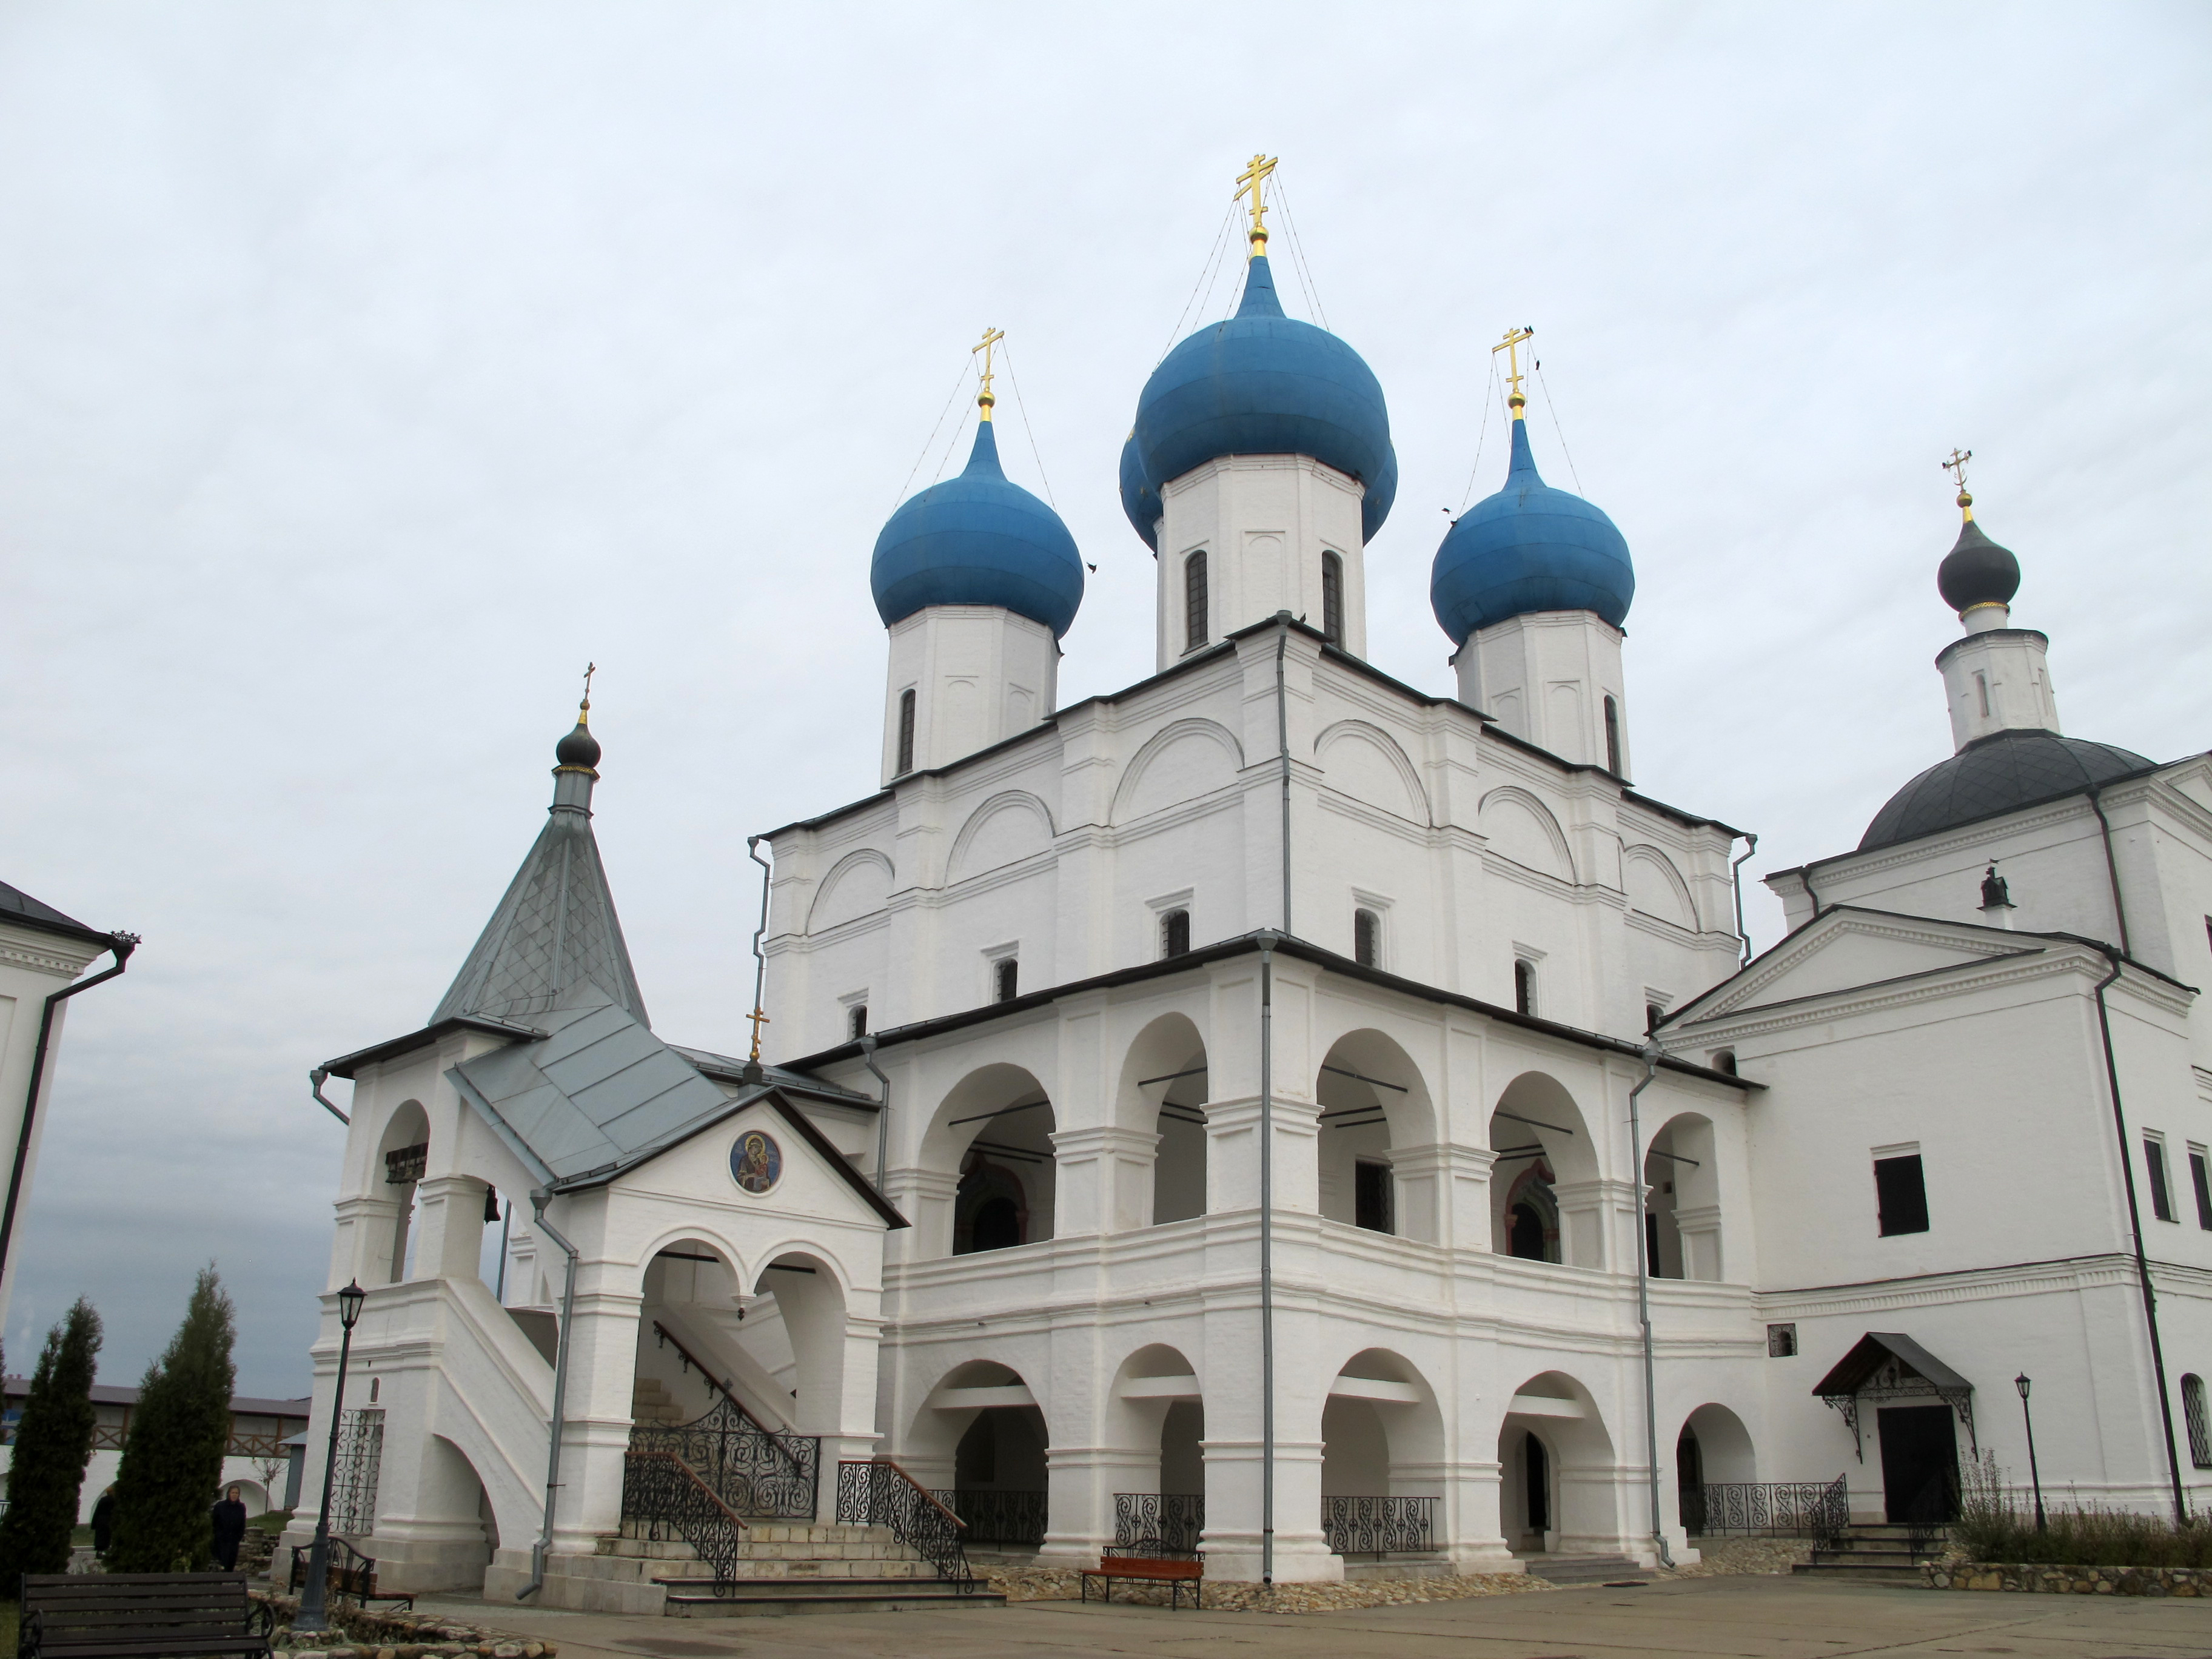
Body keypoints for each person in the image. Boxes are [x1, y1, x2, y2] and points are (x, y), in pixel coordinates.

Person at [211, 1485, 248, 1571]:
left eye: (236, 1493)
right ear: (229, 1494)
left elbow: (242, 1523)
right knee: (221, 1564)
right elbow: (214, 1522)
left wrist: (239, 1536)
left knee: (231, 1563)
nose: (234, 1495)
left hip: (234, 1541)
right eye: (233, 1493)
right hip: (221, 1541)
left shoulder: (241, 1508)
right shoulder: (220, 1506)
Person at [90, 1487, 115, 1557]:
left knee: (100, 1537)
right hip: (109, 1520)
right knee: (107, 1537)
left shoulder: (102, 1500)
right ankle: (107, 1552)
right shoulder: (114, 1501)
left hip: (100, 1520)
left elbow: (97, 1512)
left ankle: (99, 1552)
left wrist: (94, 1524)